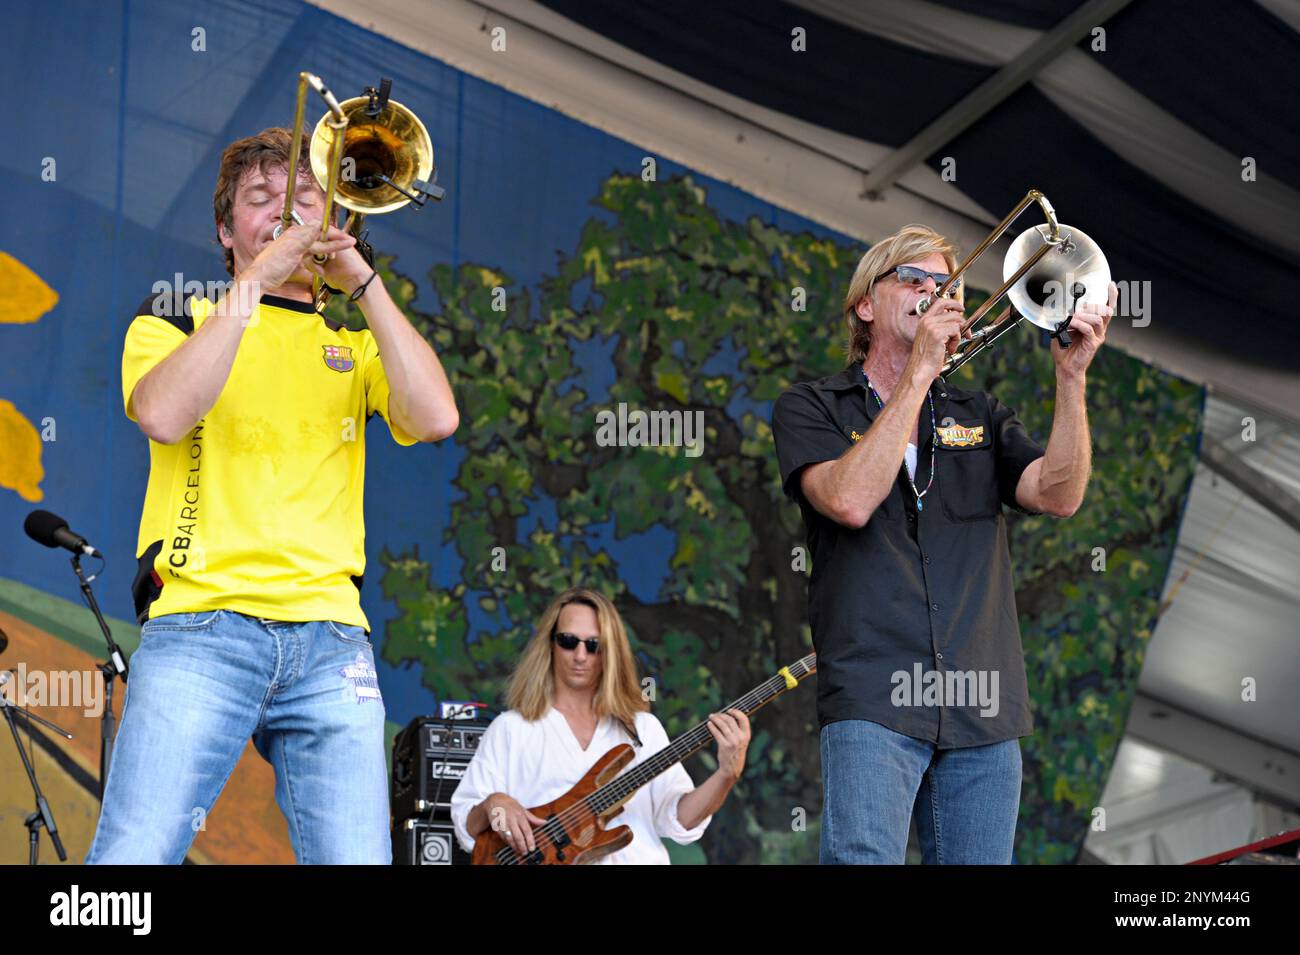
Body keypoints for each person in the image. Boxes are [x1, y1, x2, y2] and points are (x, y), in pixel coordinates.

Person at [86, 127, 458, 864]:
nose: (288, 214)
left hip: (330, 639)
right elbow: (162, 413)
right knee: (135, 854)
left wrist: (364, 283)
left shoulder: (353, 349)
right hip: (201, 624)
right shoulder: (175, 319)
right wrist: (257, 279)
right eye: (264, 200)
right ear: (226, 231)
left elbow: (437, 416)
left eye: (309, 201)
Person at [771, 223, 1114, 864]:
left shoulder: (979, 412)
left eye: (943, 283)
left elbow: (1060, 494)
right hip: (875, 692)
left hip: (981, 704)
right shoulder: (811, 406)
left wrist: (1071, 379)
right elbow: (847, 499)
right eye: (913, 279)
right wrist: (921, 370)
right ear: (865, 305)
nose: (932, 293)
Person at [450, 587, 750, 864]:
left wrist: (725, 775)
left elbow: (680, 820)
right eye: (568, 642)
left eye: (594, 645)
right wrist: (494, 803)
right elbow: (466, 823)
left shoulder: (643, 729)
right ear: (550, 644)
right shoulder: (511, 728)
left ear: (611, 652)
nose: (580, 655)